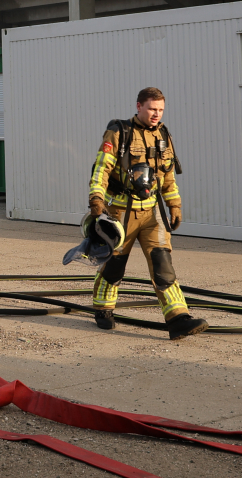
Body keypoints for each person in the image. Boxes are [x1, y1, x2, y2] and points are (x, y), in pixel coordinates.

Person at [85, 87, 209, 341]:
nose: (156, 114)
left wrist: (175, 205)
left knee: (163, 264)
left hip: (152, 213)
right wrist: (96, 200)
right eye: (152, 109)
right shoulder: (119, 132)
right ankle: (103, 309)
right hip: (120, 212)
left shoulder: (164, 135)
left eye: (161, 109)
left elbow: (168, 175)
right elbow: (102, 167)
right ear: (139, 106)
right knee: (114, 266)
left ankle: (178, 319)